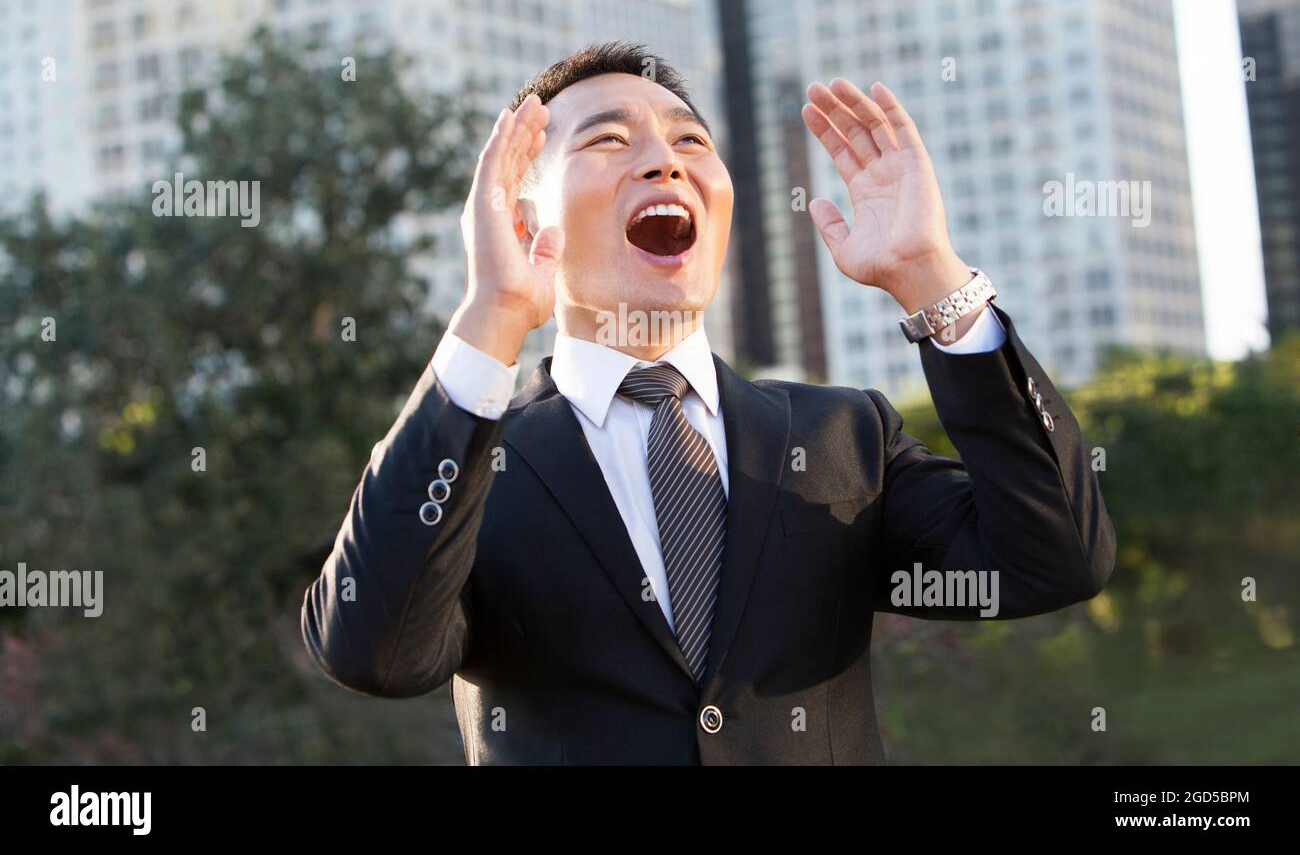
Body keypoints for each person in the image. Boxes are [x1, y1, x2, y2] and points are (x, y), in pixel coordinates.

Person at [300, 42, 1116, 765]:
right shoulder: (476, 460)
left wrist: (931, 275)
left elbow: (1056, 559)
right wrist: (491, 317)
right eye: (609, 140)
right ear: (524, 218)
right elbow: (373, 649)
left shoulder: (842, 437)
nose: (665, 160)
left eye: (691, 139)